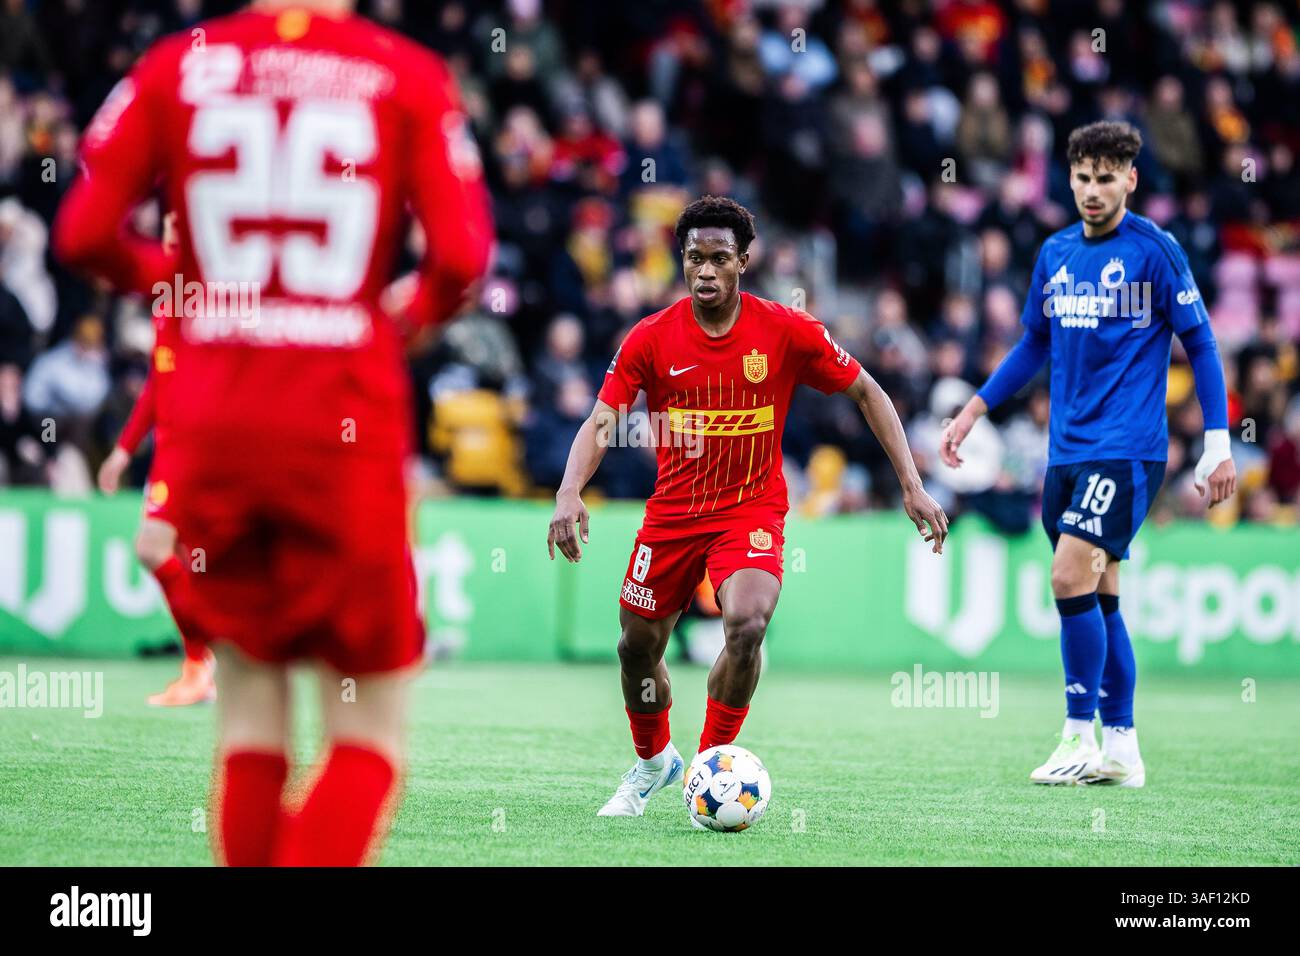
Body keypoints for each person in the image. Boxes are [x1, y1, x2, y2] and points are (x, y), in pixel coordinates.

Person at [53, 0, 493, 864]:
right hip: (340, 416)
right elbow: (461, 259)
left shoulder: (180, 64)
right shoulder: (402, 72)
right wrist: (396, 316)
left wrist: (188, 284)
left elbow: (83, 233)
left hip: (218, 415)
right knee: (368, 725)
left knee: (250, 705)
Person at [547, 195, 948, 818]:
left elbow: (868, 391)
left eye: (718, 258)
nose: (704, 271)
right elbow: (603, 422)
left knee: (748, 624)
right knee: (635, 647)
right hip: (673, 514)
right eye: (693, 259)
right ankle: (655, 760)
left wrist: (911, 482)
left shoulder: (786, 330)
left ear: (744, 262)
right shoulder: (651, 338)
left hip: (750, 510)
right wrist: (569, 492)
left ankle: (710, 765)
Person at [940, 121, 1235, 788]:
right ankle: (1124, 750)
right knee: (1101, 598)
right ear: (1068, 178)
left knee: (1068, 576)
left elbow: (1204, 345)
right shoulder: (1055, 252)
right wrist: (974, 408)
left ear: (1131, 178)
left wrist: (1217, 444)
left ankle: (1078, 734)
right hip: (1067, 453)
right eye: (1083, 178)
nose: (1093, 190)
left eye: (1107, 177)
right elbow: (1033, 346)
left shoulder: (1155, 251)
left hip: (1128, 451)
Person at [98, 213, 216, 707]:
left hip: (200, 446)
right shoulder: (170, 294)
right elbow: (157, 382)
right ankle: (203, 663)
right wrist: (124, 450)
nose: (170, 232)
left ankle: (204, 661)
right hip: (173, 448)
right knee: (188, 557)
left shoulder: (215, 294)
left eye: (180, 225)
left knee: (156, 548)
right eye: (167, 225)